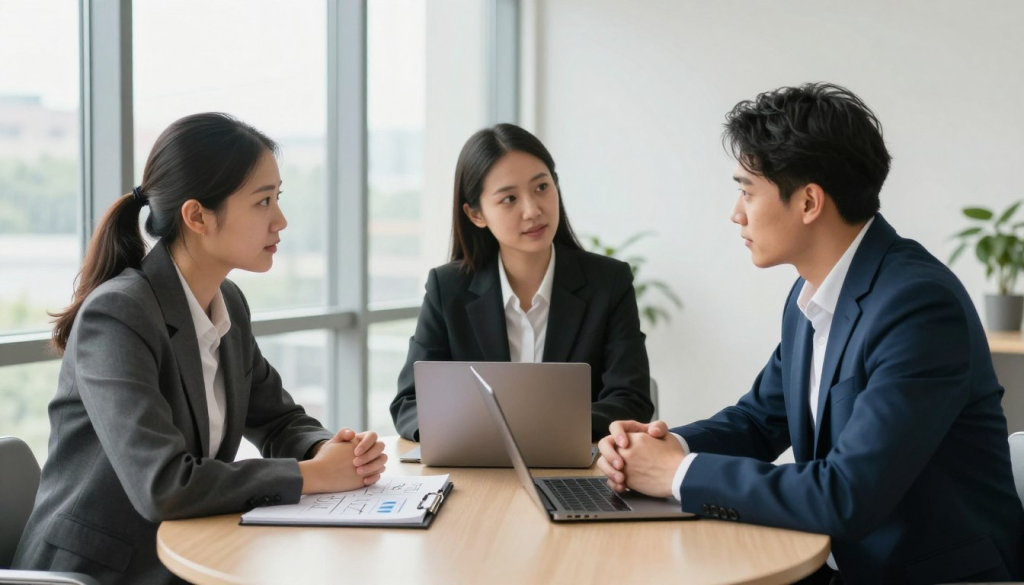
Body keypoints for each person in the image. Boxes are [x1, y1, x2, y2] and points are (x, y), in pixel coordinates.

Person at [597, 84, 1024, 583]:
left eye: (747, 190)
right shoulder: (812, 294)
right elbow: (757, 422)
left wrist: (676, 474)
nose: (736, 213)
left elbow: (847, 493)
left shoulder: (919, 307)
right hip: (839, 563)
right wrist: (655, 447)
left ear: (808, 202)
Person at [13, 113, 387, 584]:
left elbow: (278, 420)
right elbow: (163, 485)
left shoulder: (224, 302)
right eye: (262, 202)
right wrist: (314, 475)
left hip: (186, 557)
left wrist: (331, 451)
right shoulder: (118, 316)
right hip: (101, 574)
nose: (280, 220)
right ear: (197, 216)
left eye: (278, 198)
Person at [390, 123, 653, 441]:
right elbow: (410, 404)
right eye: (509, 199)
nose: (532, 210)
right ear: (476, 215)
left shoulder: (608, 282)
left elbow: (631, 402)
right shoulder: (448, 289)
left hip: (578, 472)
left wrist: (528, 430)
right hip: (475, 468)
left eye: (542, 187)